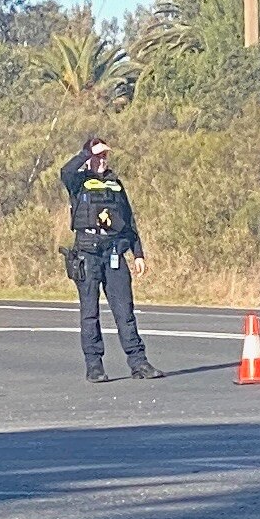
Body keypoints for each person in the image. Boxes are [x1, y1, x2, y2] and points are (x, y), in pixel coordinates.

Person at [61, 135, 157, 381]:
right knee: (90, 312)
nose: (102, 160)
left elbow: (129, 219)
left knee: (125, 311)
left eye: (105, 156)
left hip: (114, 253)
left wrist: (137, 253)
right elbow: (66, 170)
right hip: (88, 254)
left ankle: (139, 363)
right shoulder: (78, 181)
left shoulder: (116, 183)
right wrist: (87, 152)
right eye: (98, 156)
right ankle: (94, 366)